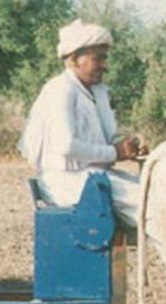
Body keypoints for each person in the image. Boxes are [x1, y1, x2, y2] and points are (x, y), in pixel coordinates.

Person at [19, 19, 141, 227]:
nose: (105, 65)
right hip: (66, 182)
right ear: (74, 60)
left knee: (152, 190)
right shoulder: (61, 89)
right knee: (148, 202)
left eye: (105, 58)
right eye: (98, 59)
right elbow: (66, 145)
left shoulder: (96, 91)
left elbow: (108, 138)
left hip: (92, 177)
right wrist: (114, 153)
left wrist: (127, 146)